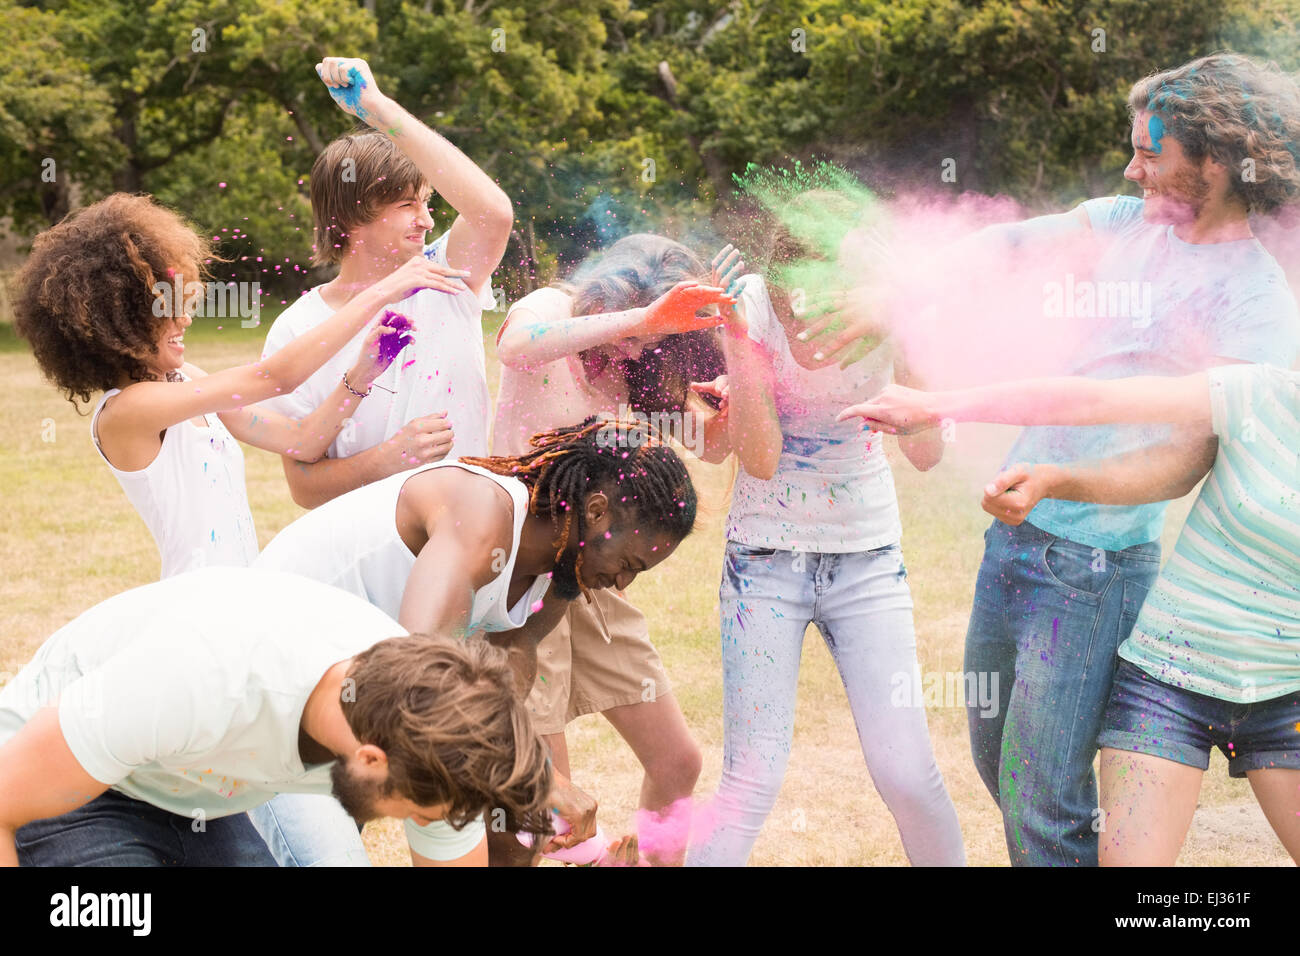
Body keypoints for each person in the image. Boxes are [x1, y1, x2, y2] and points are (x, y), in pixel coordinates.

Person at [842, 53, 1300, 865]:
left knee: (1042, 801)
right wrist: (898, 292)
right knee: (1006, 772)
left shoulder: (1257, 302)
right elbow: (1002, 247)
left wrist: (1065, 480)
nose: (1132, 168)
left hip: (1095, 571)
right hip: (1010, 548)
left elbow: (1178, 465)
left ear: (1219, 160)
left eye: (1151, 153)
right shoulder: (1123, 224)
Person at [840, 361, 1300, 864]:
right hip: (1169, 681)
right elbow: (1095, 401)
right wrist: (938, 406)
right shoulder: (1265, 392)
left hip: (1286, 699)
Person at [253, 417, 700, 865]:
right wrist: (544, 780)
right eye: (629, 563)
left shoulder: (560, 571)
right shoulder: (483, 516)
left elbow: (509, 669)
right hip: (275, 688)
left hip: (362, 700)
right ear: (597, 511)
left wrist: (581, 842)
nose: (622, 582)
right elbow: (418, 673)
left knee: (513, 821)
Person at [684, 229, 966, 865]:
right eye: (789, 304)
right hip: (763, 564)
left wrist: (910, 327)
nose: (802, 320)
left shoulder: (884, 310)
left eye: (820, 303)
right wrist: (739, 337)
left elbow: (925, 453)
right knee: (750, 782)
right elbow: (759, 458)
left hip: (866, 558)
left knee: (908, 774)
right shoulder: (750, 305)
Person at [11, 192, 451, 579]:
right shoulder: (129, 411)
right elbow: (277, 378)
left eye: (179, 300)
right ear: (115, 324)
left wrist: (362, 375)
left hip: (242, 588)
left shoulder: (187, 383)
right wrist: (379, 293)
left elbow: (303, 441)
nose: (184, 318)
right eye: (162, 309)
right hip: (199, 601)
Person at [0, 567, 552, 867]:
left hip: (194, 793)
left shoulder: (433, 726)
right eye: (419, 814)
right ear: (370, 758)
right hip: (65, 782)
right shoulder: (204, 676)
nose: (422, 825)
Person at [493, 234, 735, 865]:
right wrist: (647, 319)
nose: (638, 347)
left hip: (594, 576)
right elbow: (515, 347)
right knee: (550, 803)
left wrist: (731, 396)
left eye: (657, 339)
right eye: (636, 328)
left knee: (678, 761)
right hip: (525, 578)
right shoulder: (551, 307)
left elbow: (710, 446)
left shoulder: (638, 368)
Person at [259, 56, 510, 508]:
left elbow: (494, 214)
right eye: (406, 205)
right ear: (351, 216)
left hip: (467, 540)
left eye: (427, 201)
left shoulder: (447, 274)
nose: (427, 220)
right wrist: (389, 459)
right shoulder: (297, 330)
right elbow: (304, 489)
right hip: (363, 555)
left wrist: (377, 107)